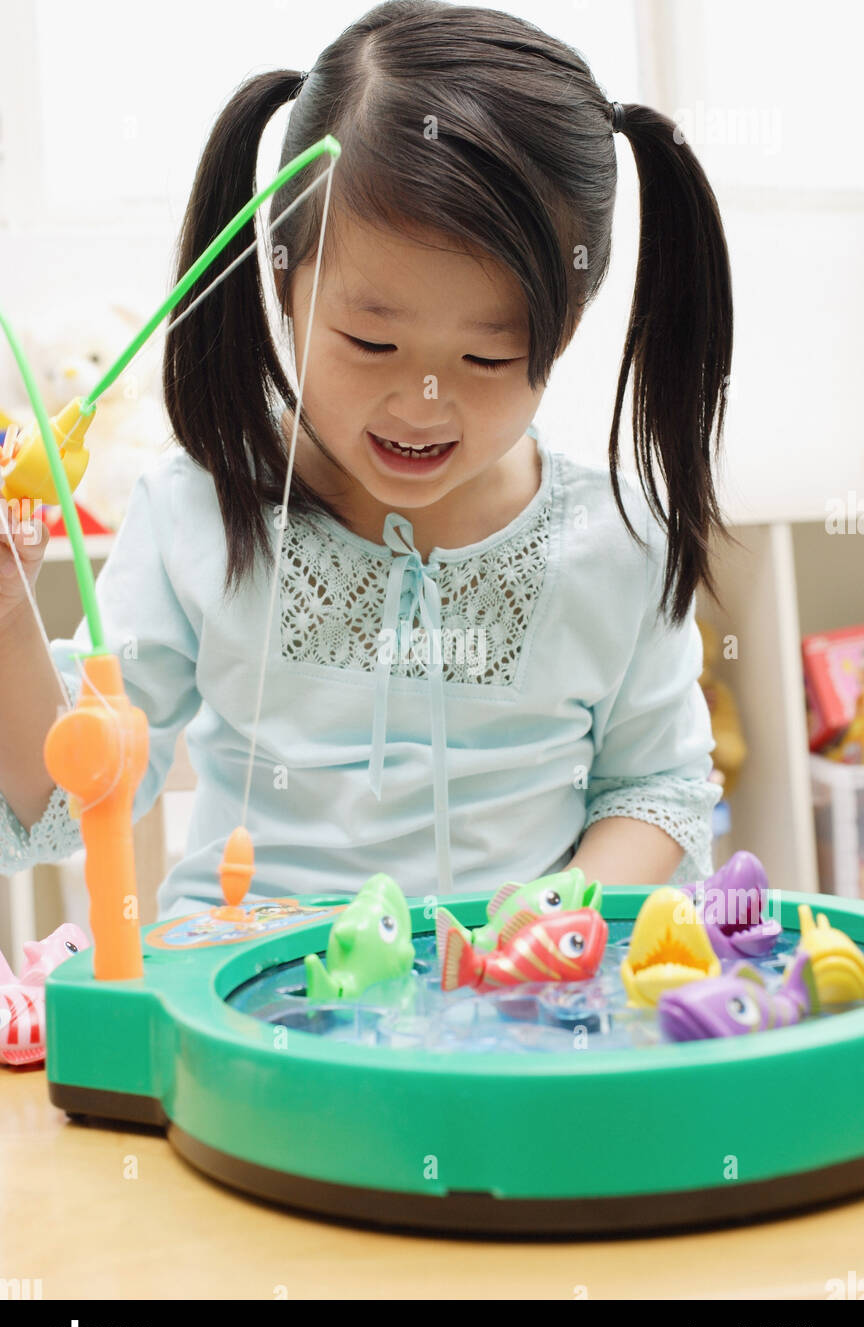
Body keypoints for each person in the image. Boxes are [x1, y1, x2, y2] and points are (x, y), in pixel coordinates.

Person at [0, 0, 732, 920]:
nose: (420, 402)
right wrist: (5, 619)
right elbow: (70, 801)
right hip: (251, 1020)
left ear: (566, 325)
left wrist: (547, 920)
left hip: (512, 1022)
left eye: (486, 357)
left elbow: (656, 788)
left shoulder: (616, 546)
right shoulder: (199, 508)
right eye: (370, 343)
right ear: (282, 277)